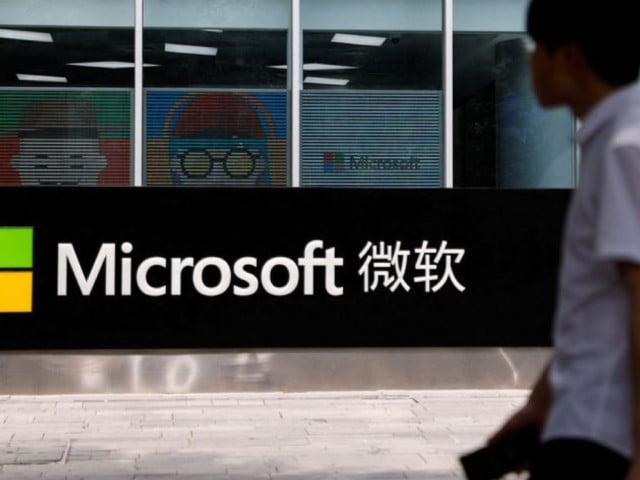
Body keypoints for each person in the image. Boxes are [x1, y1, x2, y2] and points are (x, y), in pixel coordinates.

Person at [488, 0, 640, 479]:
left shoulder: (624, 146)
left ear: (570, 57)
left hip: (602, 440)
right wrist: (539, 405)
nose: (529, 62)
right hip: (578, 426)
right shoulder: (611, 142)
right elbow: (597, 314)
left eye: (537, 49)